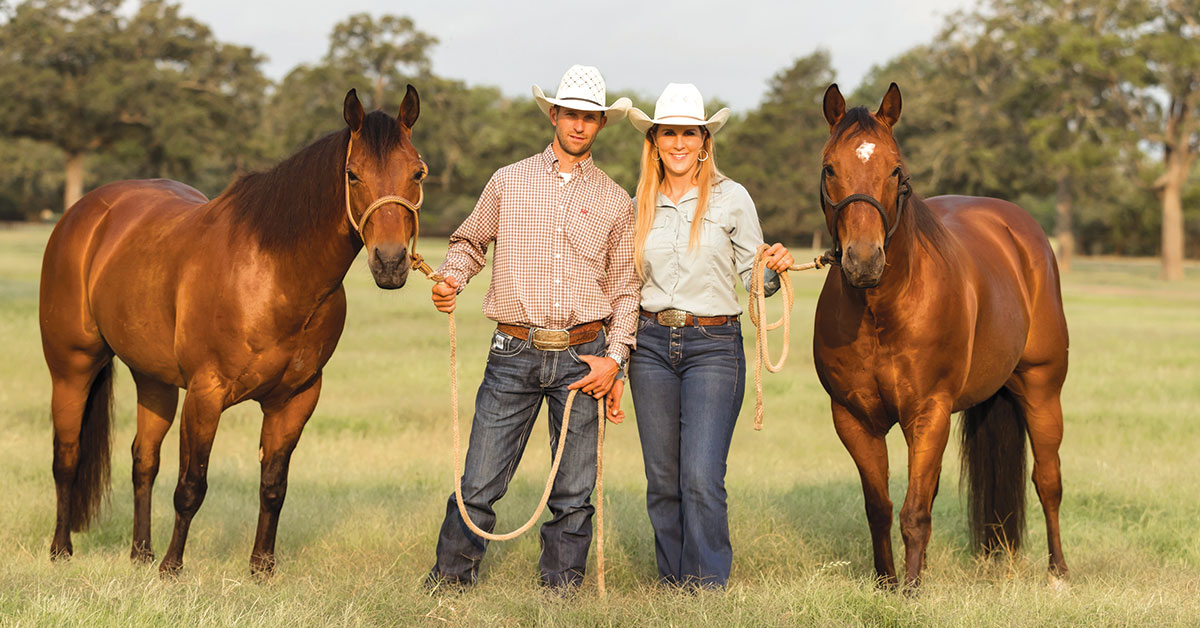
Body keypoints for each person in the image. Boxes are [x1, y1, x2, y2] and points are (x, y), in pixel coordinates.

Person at [426, 65, 639, 591]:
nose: (580, 126)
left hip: (583, 353)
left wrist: (615, 359)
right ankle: (450, 582)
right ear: (554, 114)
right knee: (478, 478)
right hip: (513, 347)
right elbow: (470, 241)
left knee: (573, 489)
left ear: (601, 125)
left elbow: (626, 289)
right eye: (571, 114)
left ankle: (561, 592)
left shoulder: (617, 200)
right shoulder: (508, 180)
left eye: (591, 118)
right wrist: (452, 278)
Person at [606, 83, 793, 589]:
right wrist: (615, 356)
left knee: (701, 477)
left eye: (690, 132)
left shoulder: (732, 198)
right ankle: (673, 583)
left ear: (705, 140)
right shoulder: (637, 202)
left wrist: (771, 268)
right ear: (656, 141)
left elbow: (757, 279)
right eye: (670, 133)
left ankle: (706, 589)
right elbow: (625, 284)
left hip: (712, 347)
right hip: (650, 348)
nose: (680, 142)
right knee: (663, 481)